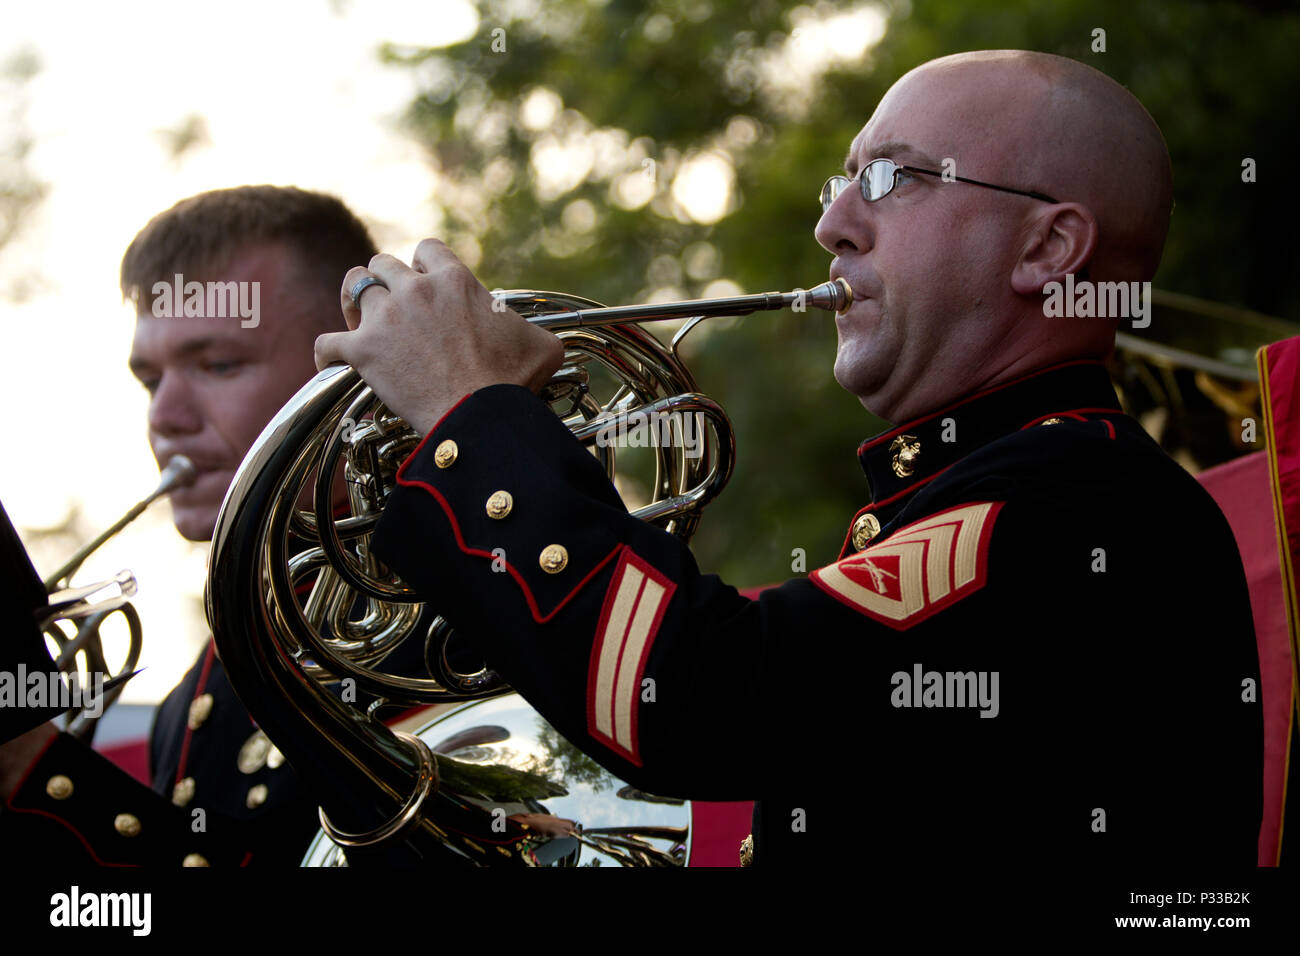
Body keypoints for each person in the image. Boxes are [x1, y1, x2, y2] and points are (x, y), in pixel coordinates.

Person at [314, 50, 1264, 866]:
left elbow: (683, 693)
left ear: (1049, 247)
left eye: (893, 178)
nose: (835, 224)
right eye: (838, 182)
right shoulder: (977, 493)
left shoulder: (1074, 504)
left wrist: (472, 415)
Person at [0, 185, 378, 865]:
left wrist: (29, 765)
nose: (165, 416)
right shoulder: (198, 688)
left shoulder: (462, 625)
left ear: (353, 362)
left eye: (218, 364)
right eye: (150, 379)